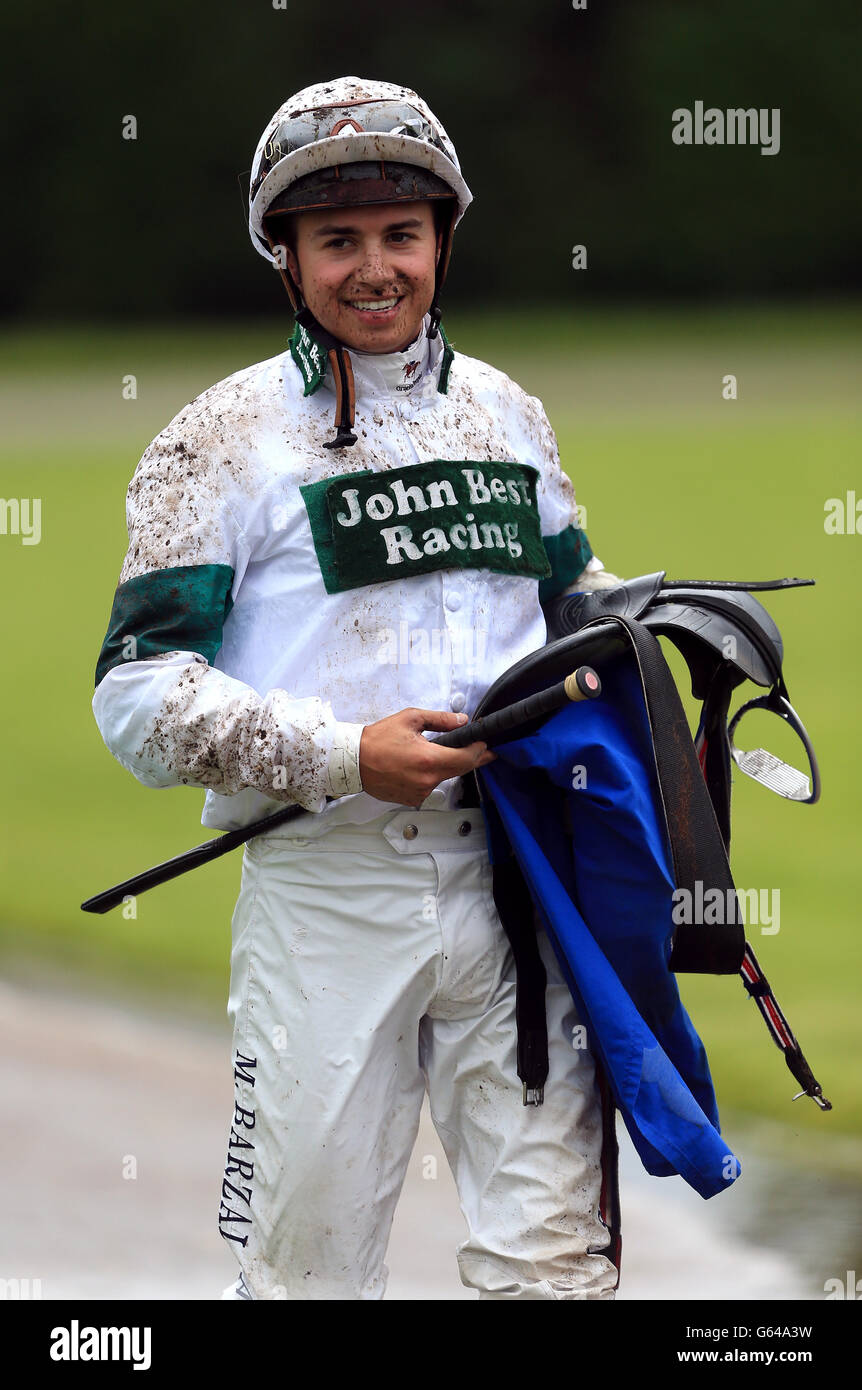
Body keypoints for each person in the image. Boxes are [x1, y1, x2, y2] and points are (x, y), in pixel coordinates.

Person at [92, 76, 623, 1301]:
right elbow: (133, 698)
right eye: (338, 241)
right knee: (310, 1279)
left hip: (518, 879)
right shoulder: (214, 439)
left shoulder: (506, 414)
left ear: (442, 240)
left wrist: (658, 622)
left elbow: (570, 603)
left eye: (401, 235)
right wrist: (344, 754)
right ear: (286, 255)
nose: (374, 269)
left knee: (554, 1268)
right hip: (324, 894)